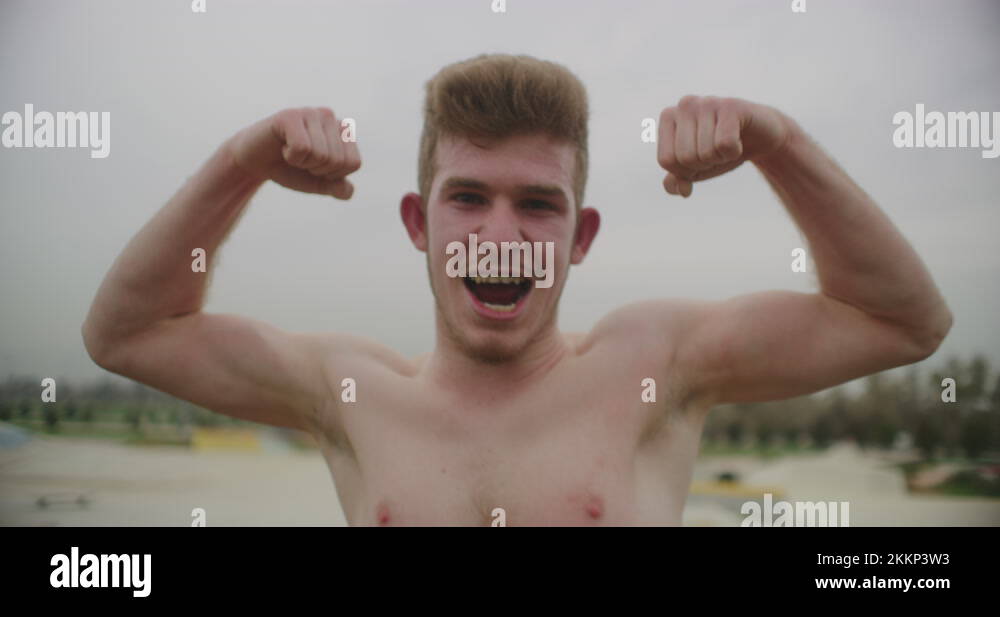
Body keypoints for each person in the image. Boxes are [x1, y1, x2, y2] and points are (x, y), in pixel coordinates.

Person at [81, 54, 952, 526]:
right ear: (419, 223)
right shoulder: (349, 391)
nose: (500, 237)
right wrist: (242, 163)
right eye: (469, 198)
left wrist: (779, 141)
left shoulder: (655, 363)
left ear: (581, 239)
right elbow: (126, 333)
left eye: (539, 204)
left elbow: (902, 320)